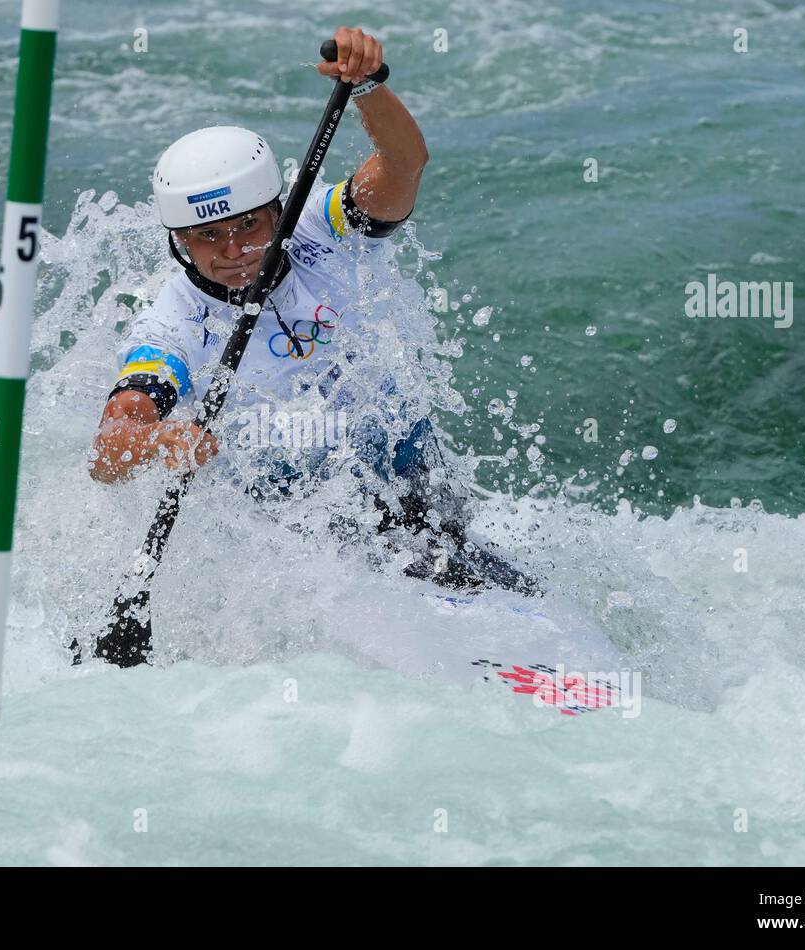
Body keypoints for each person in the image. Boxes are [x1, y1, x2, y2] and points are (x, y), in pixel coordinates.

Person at [89, 27, 538, 596]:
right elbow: (108, 451)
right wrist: (158, 442)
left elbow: (404, 164)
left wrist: (367, 87)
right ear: (178, 240)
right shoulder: (171, 326)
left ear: (277, 210)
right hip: (296, 517)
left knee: (472, 568)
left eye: (248, 225)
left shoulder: (322, 223)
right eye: (208, 236)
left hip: (404, 473)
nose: (235, 250)